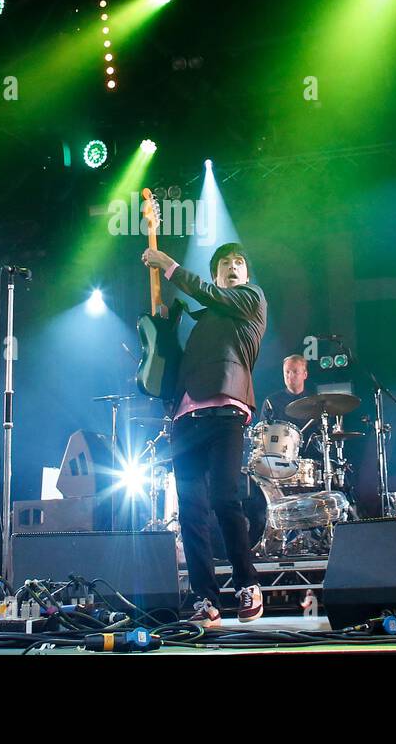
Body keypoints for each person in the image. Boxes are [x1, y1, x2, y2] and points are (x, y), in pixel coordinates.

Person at [141, 241, 267, 625]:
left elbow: (207, 293)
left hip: (227, 411)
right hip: (185, 418)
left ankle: (247, 584)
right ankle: (204, 598)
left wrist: (170, 266)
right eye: (224, 263)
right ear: (215, 273)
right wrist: (165, 326)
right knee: (190, 510)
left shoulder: (250, 301)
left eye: (238, 263)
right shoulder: (200, 321)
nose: (232, 267)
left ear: (245, 275)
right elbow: (171, 364)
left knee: (225, 499)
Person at [263, 354, 314, 426]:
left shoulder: (315, 402)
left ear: (305, 375)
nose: (290, 376)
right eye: (287, 372)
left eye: (295, 371)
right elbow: (262, 432)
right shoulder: (271, 402)